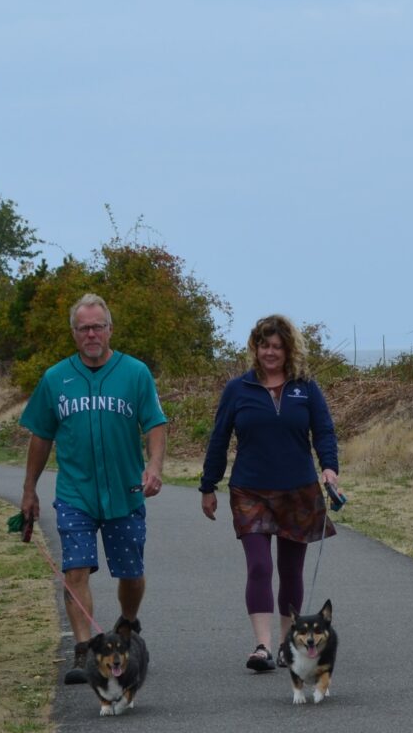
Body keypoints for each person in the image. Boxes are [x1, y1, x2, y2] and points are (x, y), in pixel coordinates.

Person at [20, 293, 167, 684]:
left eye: (97, 326)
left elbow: (155, 422)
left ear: (109, 330)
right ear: (74, 333)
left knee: (130, 574)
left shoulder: (135, 373)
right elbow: (40, 436)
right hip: (75, 495)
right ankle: (84, 649)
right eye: (83, 328)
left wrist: (153, 466)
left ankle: (128, 624)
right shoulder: (56, 379)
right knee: (75, 570)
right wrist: (29, 491)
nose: (91, 334)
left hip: (125, 493)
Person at [199, 315, 342, 672]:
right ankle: (261, 646)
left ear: (288, 349)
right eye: (264, 345)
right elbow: (219, 439)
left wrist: (329, 468)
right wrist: (208, 485)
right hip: (250, 490)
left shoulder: (305, 388)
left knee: (291, 571)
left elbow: (323, 431)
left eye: (277, 346)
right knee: (260, 566)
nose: (270, 352)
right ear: (255, 348)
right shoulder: (238, 389)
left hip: (298, 489)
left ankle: (285, 645)